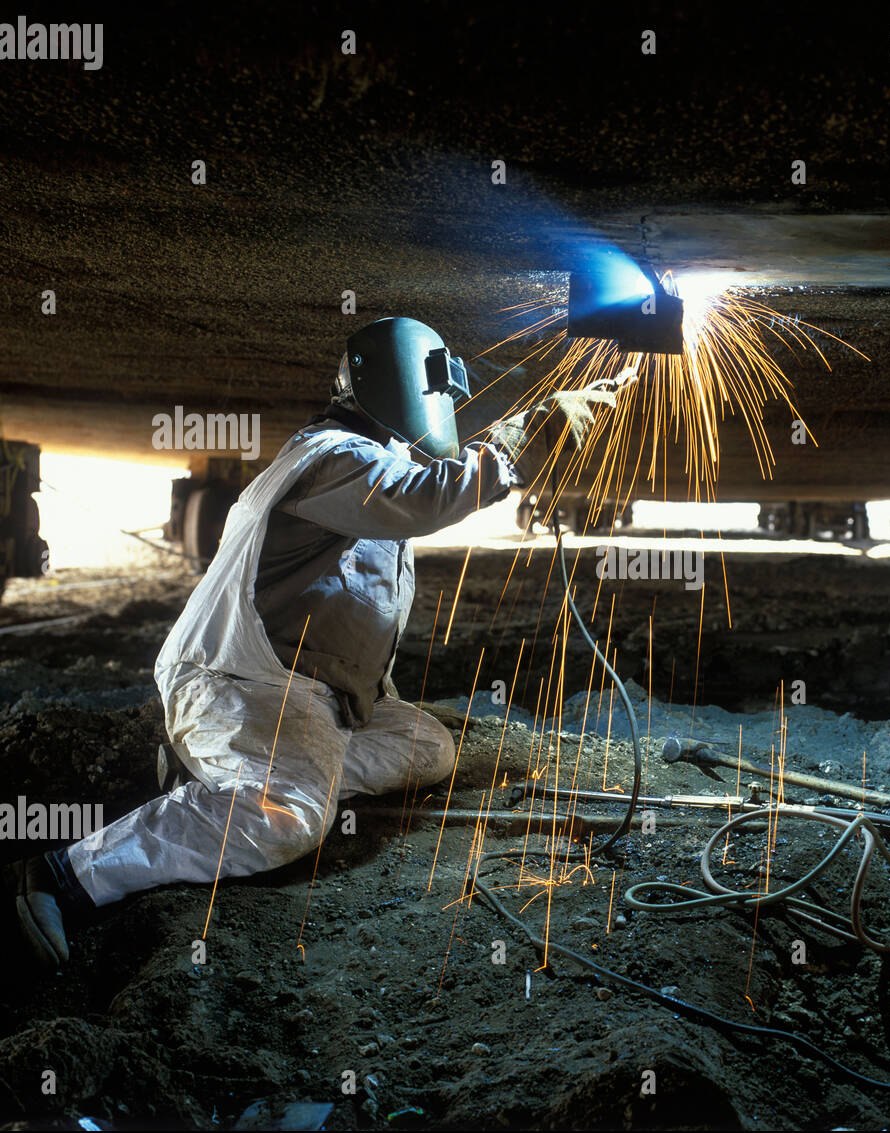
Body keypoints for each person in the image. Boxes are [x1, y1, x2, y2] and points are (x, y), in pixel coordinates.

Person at [11, 315, 592, 968]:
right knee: (288, 815)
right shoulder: (332, 457)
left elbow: (357, 604)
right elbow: (433, 497)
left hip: (302, 693)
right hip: (236, 681)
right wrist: (522, 439)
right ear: (414, 385)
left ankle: (240, 770)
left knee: (426, 748)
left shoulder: (366, 469)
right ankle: (65, 875)